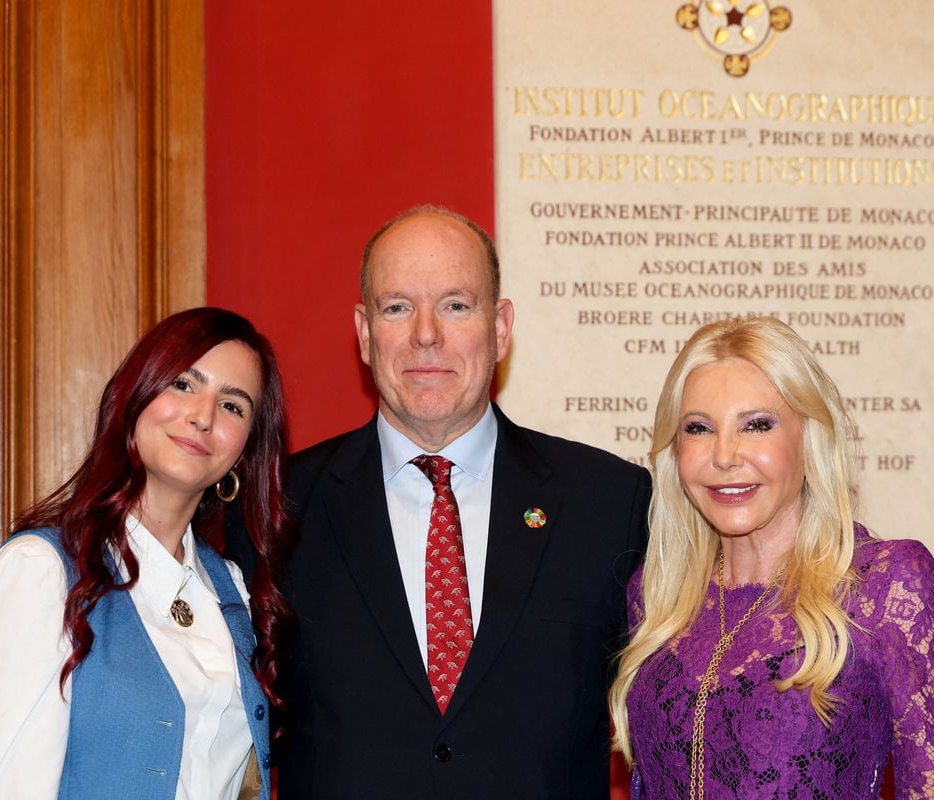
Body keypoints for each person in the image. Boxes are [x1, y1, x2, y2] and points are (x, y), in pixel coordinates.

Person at [263, 205, 650, 799]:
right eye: (397, 308)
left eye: (455, 305)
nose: (426, 334)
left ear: (500, 328)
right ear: (365, 334)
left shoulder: (609, 502)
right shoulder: (277, 508)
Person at [608, 317, 934, 799]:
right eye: (698, 428)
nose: (725, 455)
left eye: (756, 425)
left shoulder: (885, 585)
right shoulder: (657, 594)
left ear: (808, 439)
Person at [0, 307, 294, 800]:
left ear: (244, 450)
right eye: (183, 384)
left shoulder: (231, 588)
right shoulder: (41, 574)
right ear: (135, 396)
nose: (202, 416)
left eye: (233, 406)